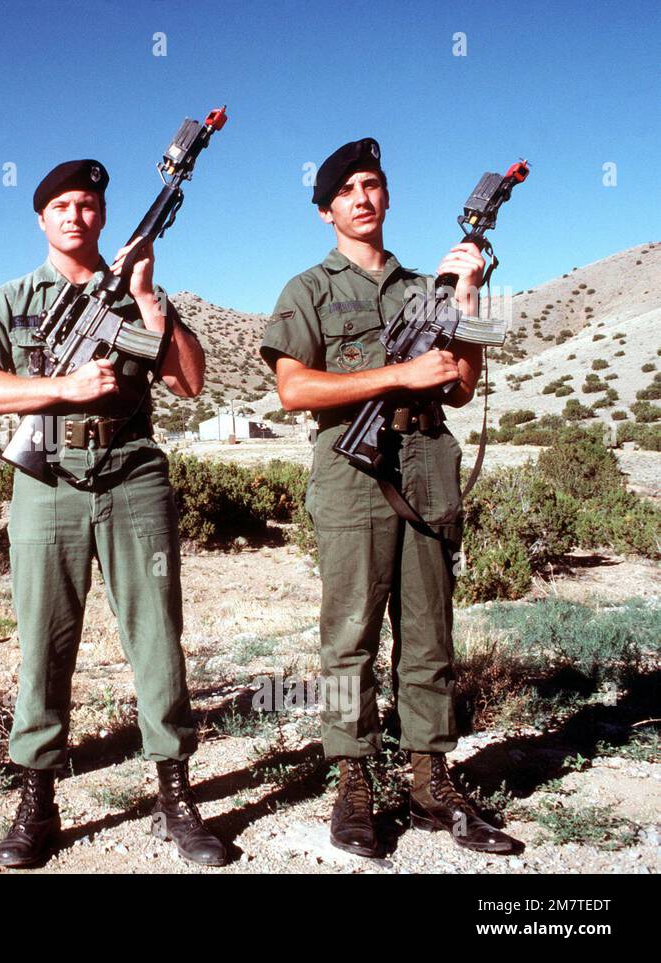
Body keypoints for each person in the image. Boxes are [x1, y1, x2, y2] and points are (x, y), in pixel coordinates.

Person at [0, 160, 227, 868]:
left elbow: (190, 380)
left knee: (157, 639)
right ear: (42, 219)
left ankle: (175, 795)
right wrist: (62, 387)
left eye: (88, 204)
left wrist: (148, 299)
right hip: (49, 481)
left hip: (132, 470)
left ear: (103, 216)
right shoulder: (13, 297)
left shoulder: (137, 292)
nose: (76, 215)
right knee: (44, 643)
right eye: (62, 206)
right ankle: (36, 802)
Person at [259, 138, 520, 856]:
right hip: (350, 466)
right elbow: (294, 389)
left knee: (430, 630)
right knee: (350, 634)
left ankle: (431, 781)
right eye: (348, 191)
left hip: (428, 457)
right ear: (327, 211)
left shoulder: (423, 289)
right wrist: (393, 376)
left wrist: (465, 301)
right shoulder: (307, 290)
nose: (364, 198)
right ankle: (353, 782)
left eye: (373, 185)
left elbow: (461, 388)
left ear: (388, 198)